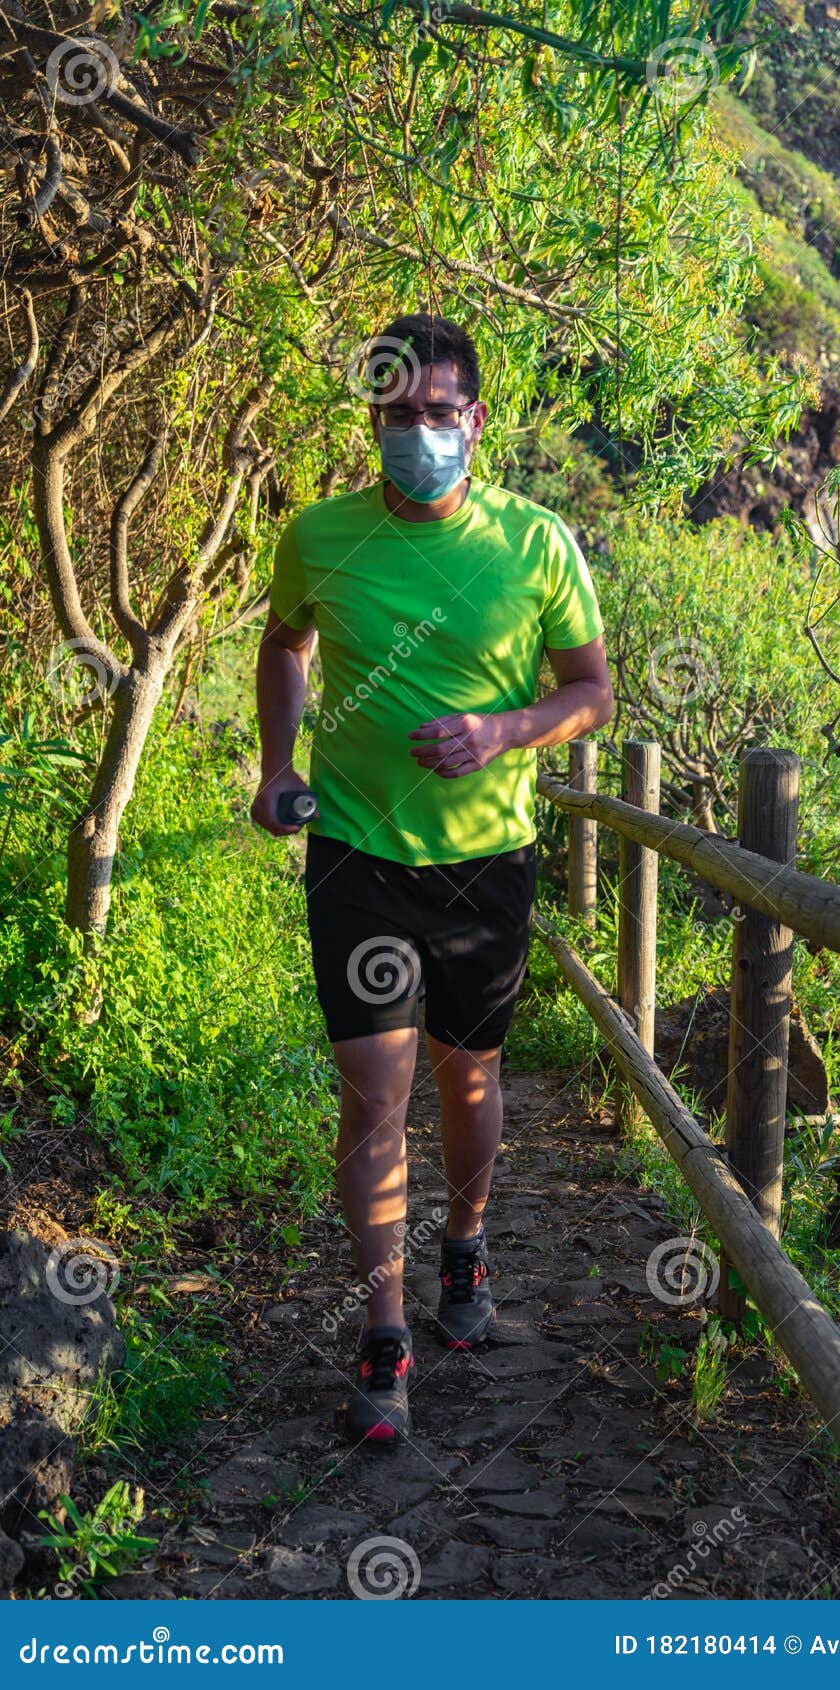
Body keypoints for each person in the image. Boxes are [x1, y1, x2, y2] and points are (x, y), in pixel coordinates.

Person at [251, 312, 613, 1441]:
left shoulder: (536, 543)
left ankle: (463, 1246)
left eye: (437, 415)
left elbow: (593, 693)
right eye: (396, 416)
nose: (417, 435)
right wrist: (274, 767)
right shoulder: (319, 535)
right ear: (372, 420)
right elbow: (283, 643)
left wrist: (502, 732)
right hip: (356, 852)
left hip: (484, 866)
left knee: (467, 1084)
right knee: (373, 1098)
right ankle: (383, 1330)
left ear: (476, 421)